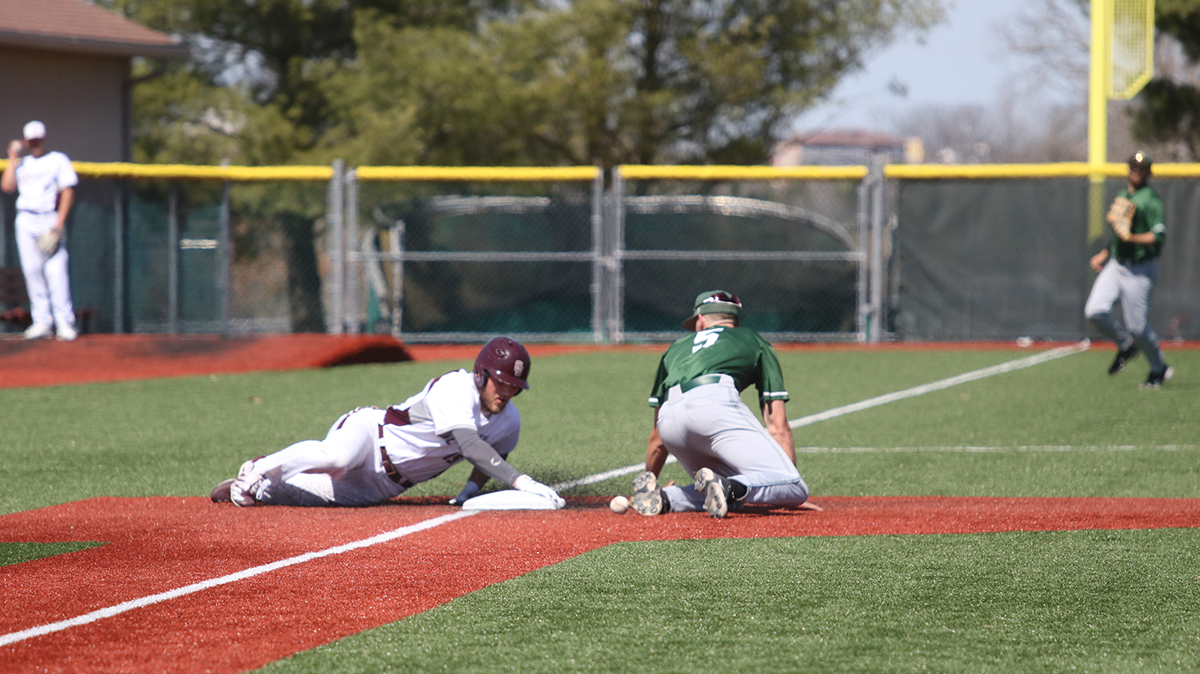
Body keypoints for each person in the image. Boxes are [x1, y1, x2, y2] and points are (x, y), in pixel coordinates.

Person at [210, 336, 564, 508]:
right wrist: (521, 482)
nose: (506, 391)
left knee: (293, 496)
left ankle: (256, 482)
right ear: (481, 373)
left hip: (384, 487)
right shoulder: (455, 387)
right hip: (370, 435)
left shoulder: (510, 421)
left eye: (514, 387)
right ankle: (263, 466)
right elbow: (472, 446)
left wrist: (468, 493)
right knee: (335, 460)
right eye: (500, 381)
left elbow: (491, 457)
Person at [632, 290, 810, 519]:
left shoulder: (675, 349)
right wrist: (783, 493)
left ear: (701, 319)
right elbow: (778, 425)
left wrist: (652, 479)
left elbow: (657, 438)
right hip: (713, 404)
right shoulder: (752, 340)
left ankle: (668, 498)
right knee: (794, 486)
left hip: (670, 420)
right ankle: (728, 487)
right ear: (734, 320)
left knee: (730, 495)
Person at [1084, 151, 1173, 389]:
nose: (1136, 171)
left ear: (1149, 173)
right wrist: (1105, 252)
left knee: (1137, 326)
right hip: (1117, 264)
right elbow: (1118, 234)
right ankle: (1126, 345)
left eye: (1141, 168)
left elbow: (1158, 236)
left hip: (1140, 270)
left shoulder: (1150, 200)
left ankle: (1158, 368)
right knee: (1094, 310)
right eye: (1133, 167)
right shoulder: (1123, 194)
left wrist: (1130, 237)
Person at [1, 120, 79, 341]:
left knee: (56, 271)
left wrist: (59, 224)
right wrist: (12, 157)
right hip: (26, 219)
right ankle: (42, 322)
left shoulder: (57, 160)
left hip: (49, 219)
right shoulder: (21, 164)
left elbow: (68, 192)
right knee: (32, 271)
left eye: (38, 140)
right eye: (31, 141)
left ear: (44, 139)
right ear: (26, 141)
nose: (35, 144)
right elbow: (7, 187)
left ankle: (64, 323)